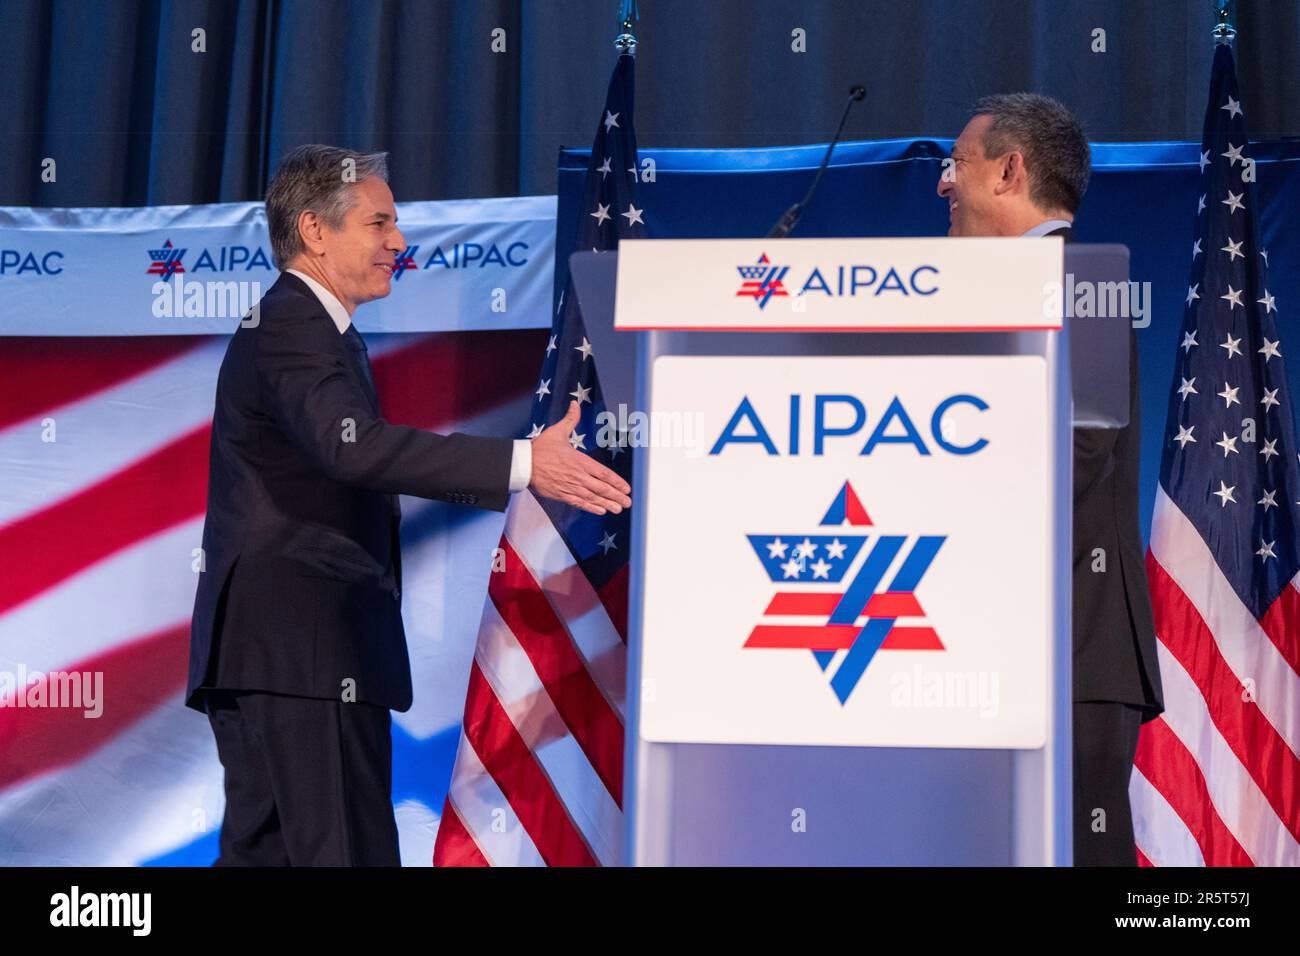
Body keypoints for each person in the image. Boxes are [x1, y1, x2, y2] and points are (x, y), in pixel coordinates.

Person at [185, 144, 631, 865]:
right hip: (302, 653)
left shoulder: (316, 330)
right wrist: (522, 463)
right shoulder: (295, 325)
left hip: (285, 656)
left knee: (265, 856)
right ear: (315, 231)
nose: (399, 242)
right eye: (379, 223)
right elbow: (353, 448)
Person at [937, 94, 1164, 866]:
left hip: (1069, 649)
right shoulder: (988, 294)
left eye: (957, 164)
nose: (942, 184)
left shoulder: (1081, 283)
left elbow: (1072, 457)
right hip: (992, 653)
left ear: (1010, 170)